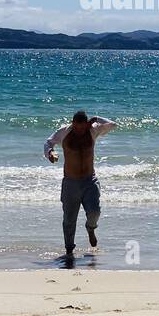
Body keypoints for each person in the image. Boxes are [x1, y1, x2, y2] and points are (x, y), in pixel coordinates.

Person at [44, 110, 117, 257]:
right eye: (76, 127)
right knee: (69, 220)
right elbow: (48, 142)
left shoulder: (93, 130)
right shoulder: (64, 132)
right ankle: (69, 250)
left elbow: (113, 125)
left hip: (90, 180)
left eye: (82, 128)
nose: (79, 131)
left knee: (95, 211)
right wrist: (50, 153)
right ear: (72, 123)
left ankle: (90, 228)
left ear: (87, 124)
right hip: (70, 183)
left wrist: (96, 118)